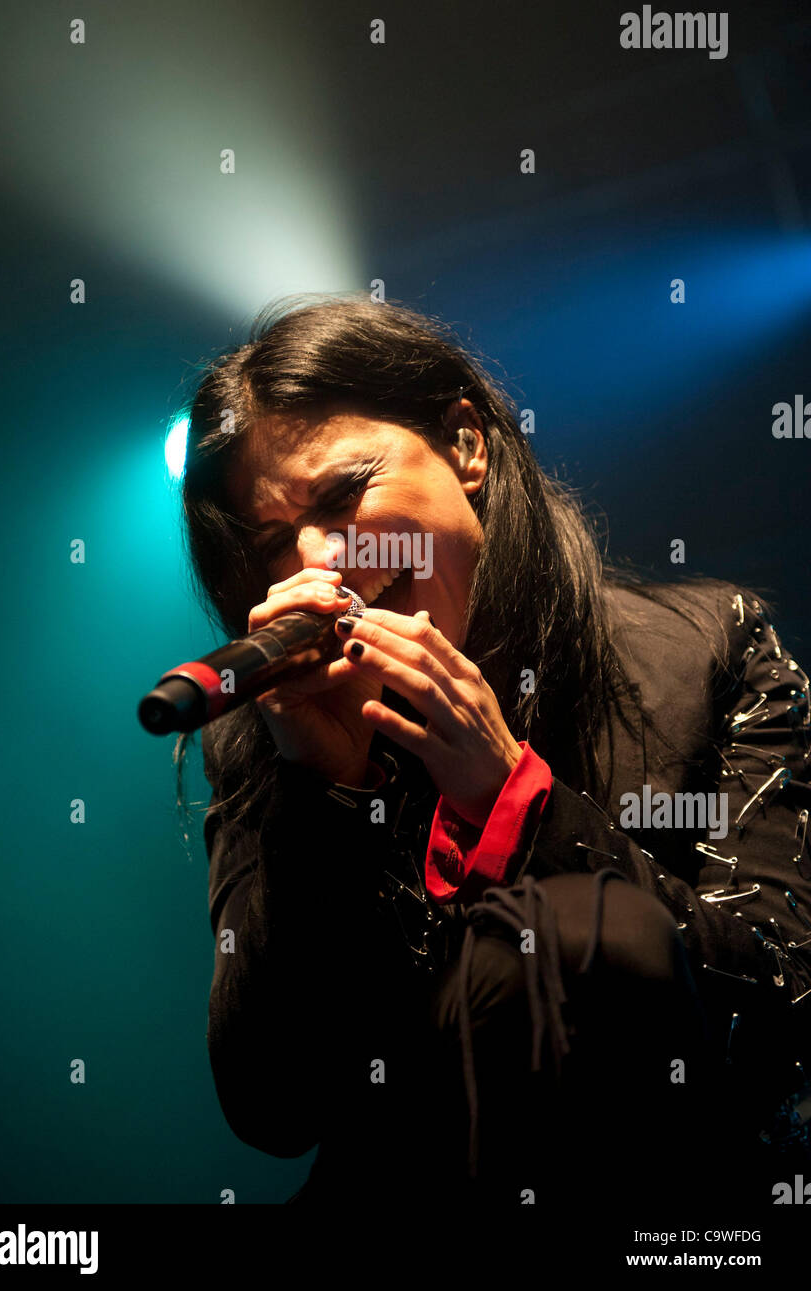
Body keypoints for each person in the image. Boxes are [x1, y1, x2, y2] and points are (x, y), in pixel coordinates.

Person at [178, 293, 811, 1213]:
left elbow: (786, 1008)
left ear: (466, 445)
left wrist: (519, 802)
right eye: (273, 543)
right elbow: (274, 1106)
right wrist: (327, 795)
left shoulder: (713, 647)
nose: (316, 561)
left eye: (345, 493)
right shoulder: (273, 732)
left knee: (584, 932)